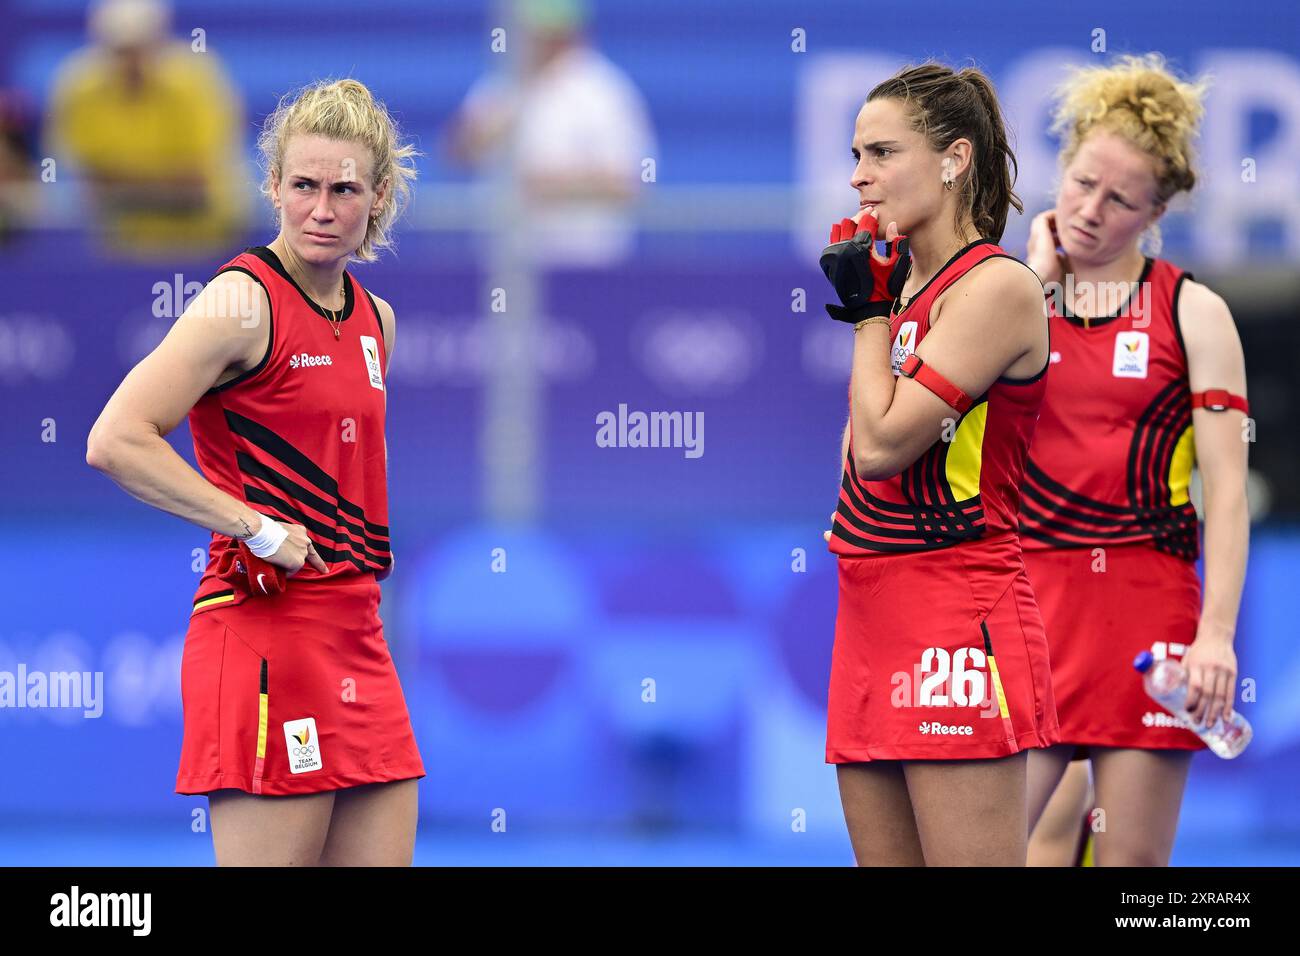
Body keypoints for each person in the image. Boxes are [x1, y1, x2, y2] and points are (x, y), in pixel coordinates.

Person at [86, 78, 423, 866]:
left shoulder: (380, 321)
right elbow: (115, 439)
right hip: (263, 631)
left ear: (378, 199)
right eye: (303, 185)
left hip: (358, 636)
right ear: (272, 186)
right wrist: (255, 525)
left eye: (345, 189)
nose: (322, 208)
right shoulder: (241, 301)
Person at [820, 62, 1056, 866]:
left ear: (954, 159)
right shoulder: (907, 287)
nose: (859, 176)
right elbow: (859, 452)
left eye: (882, 153)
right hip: (869, 610)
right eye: (856, 155)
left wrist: (865, 318)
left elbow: (884, 446)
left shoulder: (996, 287)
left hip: (957, 615)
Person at [1020, 53, 1249, 866]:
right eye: (1081, 183)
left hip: (1147, 620)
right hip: (1025, 612)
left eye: (1119, 200)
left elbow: (1226, 491)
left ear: (1156, 212)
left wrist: (1215, 637)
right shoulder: (1009, 298)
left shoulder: (1195, 313)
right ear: (1063, 166)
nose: (1088, 210)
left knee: (1134, 870)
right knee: (982, 850)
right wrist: (1030, 284)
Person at [45, 0, 247, 258]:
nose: (131, 62)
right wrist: (161, 182)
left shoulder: (195, 82)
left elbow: (195, 179)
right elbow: (91, 181)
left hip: (201, 237)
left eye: (139, 49)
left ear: (160, 42)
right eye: (121, 50)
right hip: (121, 243)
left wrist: (123, 183)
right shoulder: (80, 90)